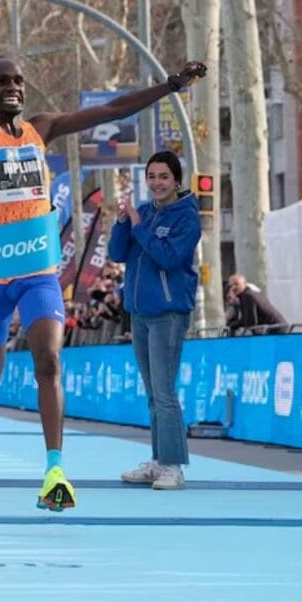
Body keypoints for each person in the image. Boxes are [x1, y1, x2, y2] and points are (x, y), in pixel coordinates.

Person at [0, 33, 206, 511]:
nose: (13, 87)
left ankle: (55, 470)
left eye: (18, 80)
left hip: (37, 271)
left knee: (48, 362)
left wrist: (169, 86)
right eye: (2, 81)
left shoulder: (42, 128)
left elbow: (112, 111)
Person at [108, 151, 202, 490]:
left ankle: (174, 466)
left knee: (164, 393)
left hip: (169, 313)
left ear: (177, 180)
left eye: (164, 176)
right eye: (152, 176)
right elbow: (117, 254)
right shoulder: (144, 213)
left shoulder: (187, 217)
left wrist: (138, 226)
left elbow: (168, 257)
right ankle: (159, 459)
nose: (157, 183)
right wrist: (123, 221)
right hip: (140, 313)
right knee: (152, 394)